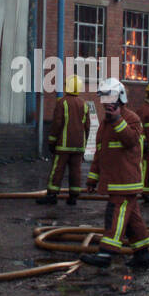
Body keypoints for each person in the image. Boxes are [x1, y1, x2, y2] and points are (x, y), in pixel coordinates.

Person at [82, 78, 149, 271]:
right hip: (115, 181)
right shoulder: (105, 125)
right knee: (132, 218)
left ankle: (106, 253)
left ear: (120, 98)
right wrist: (92, 179)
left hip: (125, 182)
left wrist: (118, 120)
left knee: (115, 215)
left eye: (110, 98)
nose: (107, 104)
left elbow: (130, 141)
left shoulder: (132, 119)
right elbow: (100, 154)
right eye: (104, 99)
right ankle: (142, 253)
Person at [38, 75, 91, 206]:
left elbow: (57, 124)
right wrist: (84, 144)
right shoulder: (84, 104)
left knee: (57, 170)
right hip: (79, 146)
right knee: (76, 171)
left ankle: (52, 195)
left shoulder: (62, 102)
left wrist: (51, 141)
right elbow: (87, 127)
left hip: (63, 145)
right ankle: (73, 197)